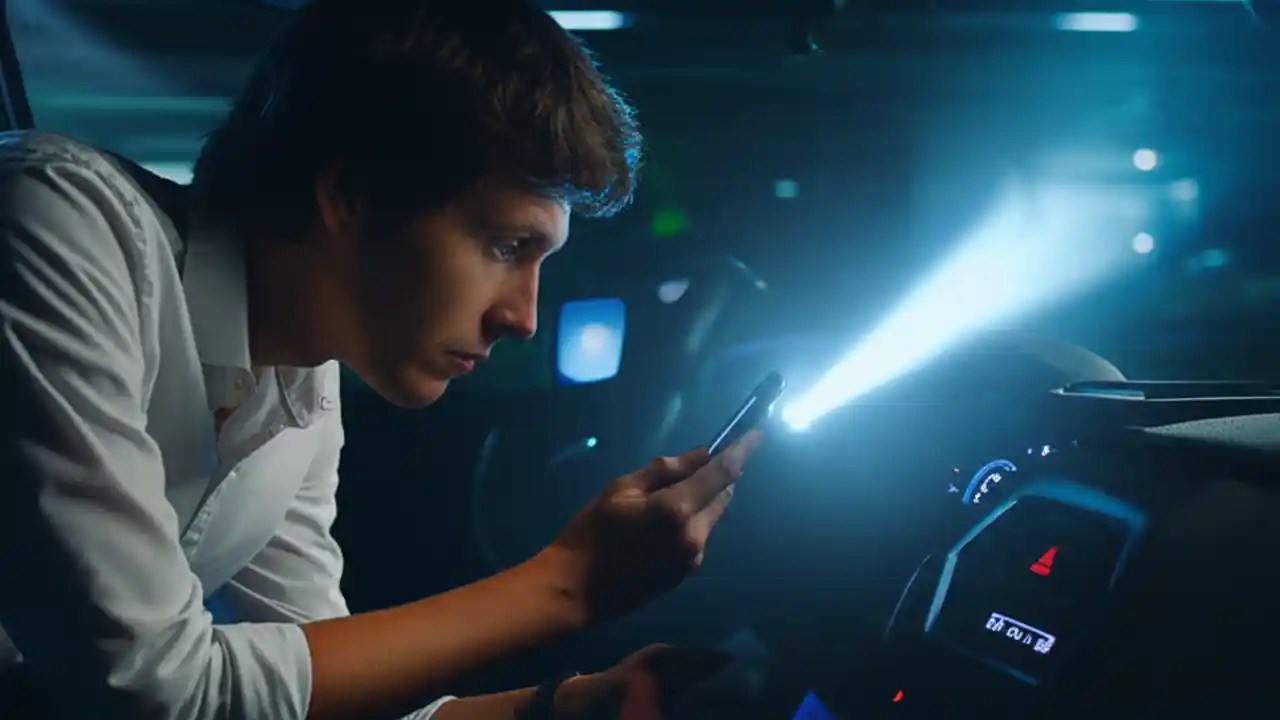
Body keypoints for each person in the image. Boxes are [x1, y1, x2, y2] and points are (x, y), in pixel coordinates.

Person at [0, 1, 763, 718]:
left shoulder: (307, 383)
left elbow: (311, 699)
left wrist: (576, 705)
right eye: (506, 245)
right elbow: (147, 686)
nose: (523, 318)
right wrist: (566, 583)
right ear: (351, 195)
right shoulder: (54, 224)